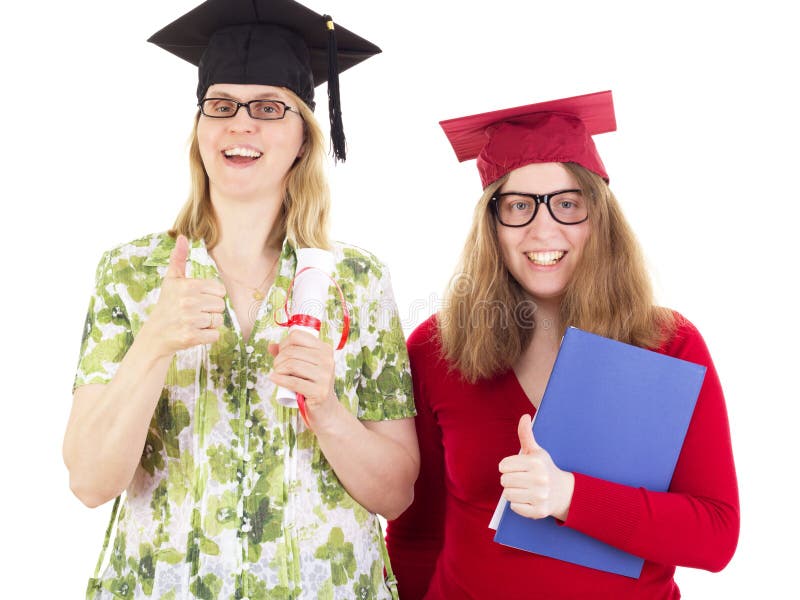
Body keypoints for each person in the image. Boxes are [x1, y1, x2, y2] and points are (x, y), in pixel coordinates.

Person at [62, 1, 418, 598]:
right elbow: (90, 483)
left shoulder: (355, 279)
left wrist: (327, 410)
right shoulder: (130, 274)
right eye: (220, 106)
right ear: (200, 129)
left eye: (270, 108)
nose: (241, 124)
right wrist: (154, 343)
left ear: (304, 136)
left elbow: (397, 494)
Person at [385, 91, 739, 599]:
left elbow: (715, 534)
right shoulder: (438, 348)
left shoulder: (668, 346)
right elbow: (417, 533)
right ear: (492, 225)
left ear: (600, 219)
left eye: (568, 204)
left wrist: (571, 496)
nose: (542, 228)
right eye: (519, 206)